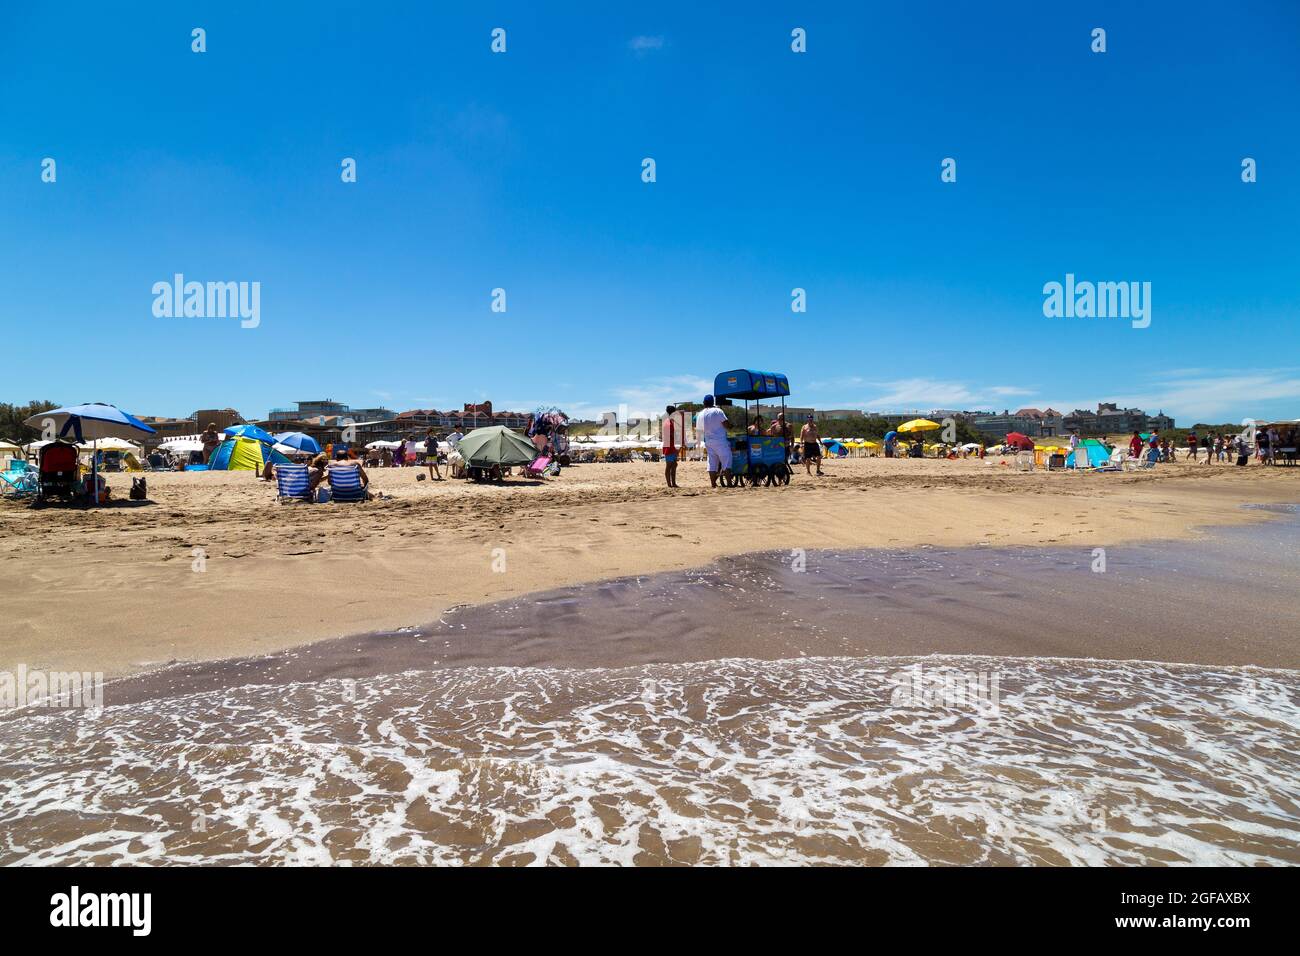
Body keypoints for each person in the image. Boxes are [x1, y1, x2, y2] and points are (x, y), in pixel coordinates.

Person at [694, 394, 731, 488]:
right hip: (720, 441)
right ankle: (729, 484)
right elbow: (726, 424)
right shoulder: (718, 411)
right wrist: (731, 426)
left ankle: (713, 484)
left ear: (704, 403)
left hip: (708, 441)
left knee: (712, 463)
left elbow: (699, 430)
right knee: (726, 461)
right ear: (712, 402)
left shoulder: (700, 414)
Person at [661, 405, 680, 488]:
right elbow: (671, 435)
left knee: (674, 465)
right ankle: (670, 484)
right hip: (669, 447)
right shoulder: (668, 423)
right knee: (669, 466)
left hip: (671, 446)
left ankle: (673, 483)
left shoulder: (669, 422)